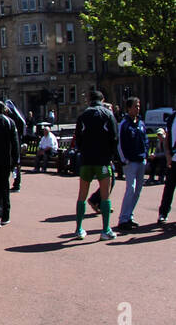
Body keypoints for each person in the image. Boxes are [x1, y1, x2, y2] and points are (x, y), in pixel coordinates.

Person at [73, 89, 120, 241]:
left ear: (89, 99)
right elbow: (114, 137)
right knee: (105, 196)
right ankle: (105, 229)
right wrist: (111, 156)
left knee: (82, 195)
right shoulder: (108, 114)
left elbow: (78, 138)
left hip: (86, 160)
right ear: (103, 99)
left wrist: (83, 151)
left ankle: (79, 228)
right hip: (103, 160)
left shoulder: (83, 115)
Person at [115, 96, 148, 232]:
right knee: (131, 189)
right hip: (130, 162)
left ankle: (129, 215)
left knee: (137, 191)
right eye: (135, 106)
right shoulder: (124, 124)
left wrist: (145, 155)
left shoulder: (141, 123)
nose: (138, 108)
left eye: (139, 106)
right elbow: (120, 144)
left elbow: (145, 140)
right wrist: (124, 160)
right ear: (129, 108)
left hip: (140, 160)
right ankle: (123, 218)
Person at [156, 111, 176, 229]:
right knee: (169, 187)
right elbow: (167, 138)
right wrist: (168, 154)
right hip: (173, 160)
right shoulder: (172, 118)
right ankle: (163, 213)